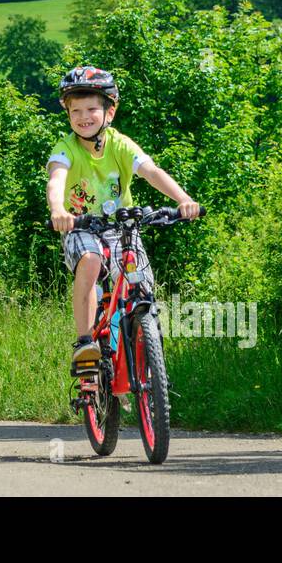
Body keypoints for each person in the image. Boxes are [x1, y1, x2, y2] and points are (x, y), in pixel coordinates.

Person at [46, 67, 201, 369]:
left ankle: (145, 359)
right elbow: (56, 180)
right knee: (89, 260)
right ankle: (85, 343)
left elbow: (151, 171)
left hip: (121, 228)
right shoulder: (66, 149)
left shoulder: (120, 144)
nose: (83, 116)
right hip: (81, 227)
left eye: (92, 108)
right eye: (75, 110)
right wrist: (58, 210)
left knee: (140, 285)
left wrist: (183, 200)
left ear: (110, 111)